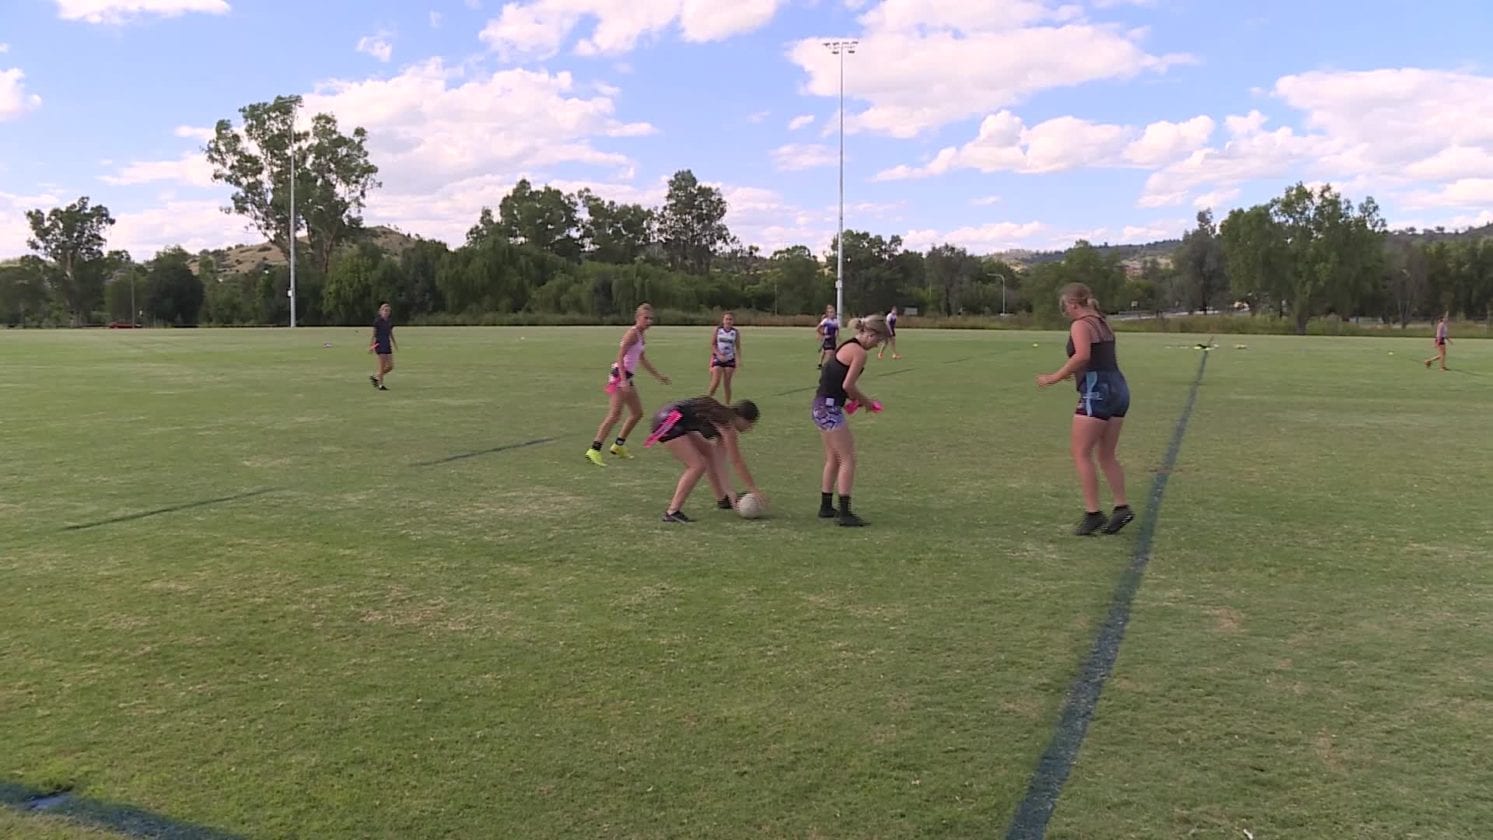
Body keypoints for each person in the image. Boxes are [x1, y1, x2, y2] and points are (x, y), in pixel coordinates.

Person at [1036, 283, 1134, 536]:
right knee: (1107, 454)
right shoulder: (1102, 322)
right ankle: (1121, 506)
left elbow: (1082, 356)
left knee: (1081, 453)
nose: (1065, 312)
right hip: (1118, 388)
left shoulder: (1081, 325)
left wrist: (1054, 377)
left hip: (1097, 390)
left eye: (1065, 307)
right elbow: (1100, 357)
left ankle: (1093, 513)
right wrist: (1075, 373)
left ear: (1072, 304)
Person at [813, 314, 890, 527]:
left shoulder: (847, 346)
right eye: (878, 340)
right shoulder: (859, 353)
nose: (877, 346)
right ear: (871, 334)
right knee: (848, 458)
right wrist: (866, 402)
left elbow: (835, 381)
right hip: (829, 409)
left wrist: (849, 402)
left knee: (834, 458)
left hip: (821, 405)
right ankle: (845, 513)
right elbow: (848, 385)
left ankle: (826, 506)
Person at [647, 396, 763, 523]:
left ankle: (722, 498)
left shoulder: (723, 420)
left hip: (674, 420)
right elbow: (737, 461)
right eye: (750, 423)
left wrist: (729, 491)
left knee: (710, 453)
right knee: (697, 466)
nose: (750, 428)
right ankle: (672, 512)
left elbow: (719, 462)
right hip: (668, 420)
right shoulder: (727, 426)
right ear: (741, 417)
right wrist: (753, 488)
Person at [586, 303, 671, 467]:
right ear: (637, 318)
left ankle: (618, 445)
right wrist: (623, 380)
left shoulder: (641, 335)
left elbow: (642, 359)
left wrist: (658, 376)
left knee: (637, 413)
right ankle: (594, 450)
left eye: (651, 318)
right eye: (645, 318)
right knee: (615, 415)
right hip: (619, 377)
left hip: (627, 378)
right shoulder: (632, 334)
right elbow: (620, 356)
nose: (649, 321)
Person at [706, 311, 741, 404]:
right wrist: (718, 354)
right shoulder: (718, 330)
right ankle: (706, 402)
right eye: (726, 319)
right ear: (723, 320)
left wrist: (738, 361)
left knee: (727, 383)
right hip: (718, 358)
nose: (728, 321)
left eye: (730, 319)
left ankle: (727, 405)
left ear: (733, 321)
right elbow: (713, 344)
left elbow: (737, 347)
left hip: (729, 359)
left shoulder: (735, 332)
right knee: (716, 382)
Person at [368, 303, 396, 390]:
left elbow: (390, 333)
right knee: (382, 366)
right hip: (379, 345)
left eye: (388, 311)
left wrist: (394, 343)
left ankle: (376, 377)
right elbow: (373, 335)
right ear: (381, 311)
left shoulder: (389, 322)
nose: (387, 312)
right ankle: (381, 385)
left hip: (387, 345)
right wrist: (371, 346)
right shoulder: (377, 322)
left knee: (390, 366)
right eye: (385, 310)